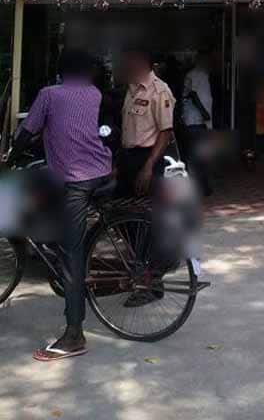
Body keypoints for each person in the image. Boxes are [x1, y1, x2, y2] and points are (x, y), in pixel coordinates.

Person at [15, 48, 113, 362]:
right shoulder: (93, 93)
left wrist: (10, 158)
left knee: (72, 256)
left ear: (59, 72)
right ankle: (59, 240)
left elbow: (27, 131)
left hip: (75, 179)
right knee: (47, 189)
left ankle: (74, 335)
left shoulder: (48, 94)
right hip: (101, 170)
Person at [117, 47, 176, 197]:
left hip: (147, 157)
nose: (127, 64)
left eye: (131, 59)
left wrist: (148, 167)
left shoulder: (159, 90)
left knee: (147, 213)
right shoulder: (131, 87)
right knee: (125, 210)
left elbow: (165, 131)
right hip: (128, 157)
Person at [181, 51, 213, 196]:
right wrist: (204, 112)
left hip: (197, 121)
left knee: (198, 156)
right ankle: (199, 188)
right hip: (195, 121)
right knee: (197, 156)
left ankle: (200, 187)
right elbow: (193, 94)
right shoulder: (197, 74)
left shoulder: (200, 75)